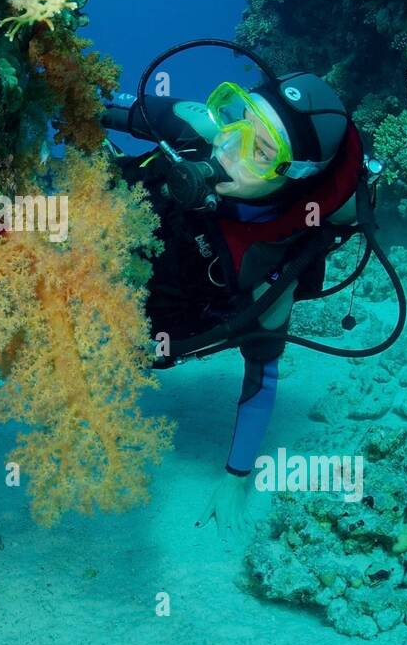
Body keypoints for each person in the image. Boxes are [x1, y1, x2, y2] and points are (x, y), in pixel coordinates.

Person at [104, 71, 362, 539]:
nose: (229, 148)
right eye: (239, 116)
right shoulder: (198, 128)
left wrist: (236, 478)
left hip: (142, 323)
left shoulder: (270, 266)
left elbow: (262, 376)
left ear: (294, 178)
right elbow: (83, 101)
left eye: (261, 153)